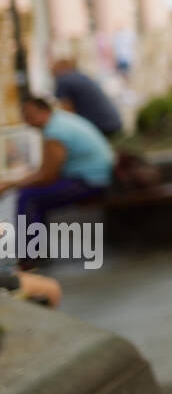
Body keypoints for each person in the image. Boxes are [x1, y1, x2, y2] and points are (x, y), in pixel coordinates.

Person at [0, 96, 114, 268]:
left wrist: (10, 185)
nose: (28, 122)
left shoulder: (56, 131)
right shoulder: (60, 121)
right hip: (93, 176)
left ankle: (29, 258)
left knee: (29, 197)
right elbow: (47, 172)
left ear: (44, 112)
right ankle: (36, 252)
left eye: (30, 116)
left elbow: (47, 176)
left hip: (91, 180)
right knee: (34, 197)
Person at [50, 58, 123, 139]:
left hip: (101, 127)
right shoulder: (80, 76)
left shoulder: (64, 79)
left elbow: (67, 113)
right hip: (113, 123)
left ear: (59, 68)